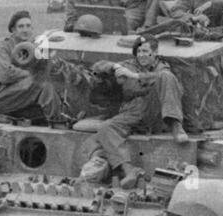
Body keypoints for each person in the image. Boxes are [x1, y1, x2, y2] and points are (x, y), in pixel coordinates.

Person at [78, 37, 188, 182]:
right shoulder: (128, 65)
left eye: (145, 51)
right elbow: (99, 67)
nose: (141, 54)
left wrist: (135, 76)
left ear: (154, 53)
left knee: (166, 77)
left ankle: (175, 124)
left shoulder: (161, 67)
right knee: (106, 128)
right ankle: (129, 170)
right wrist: (114, 67)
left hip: (154, 110)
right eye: (139, 51)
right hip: (132, 111)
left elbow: (159, 77)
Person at [0, 11, 63, 123]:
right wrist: (29, 75)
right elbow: (5, 75)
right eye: (21, 26)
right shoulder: (2, 46)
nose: (25, 30)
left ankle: (58, 117)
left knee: (53, 84)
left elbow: (45, 70)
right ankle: (57, 122)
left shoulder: (33, 46)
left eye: (28, 26)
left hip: (20, 96)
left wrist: (48, 48)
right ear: (13, 30)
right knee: (42, 84)